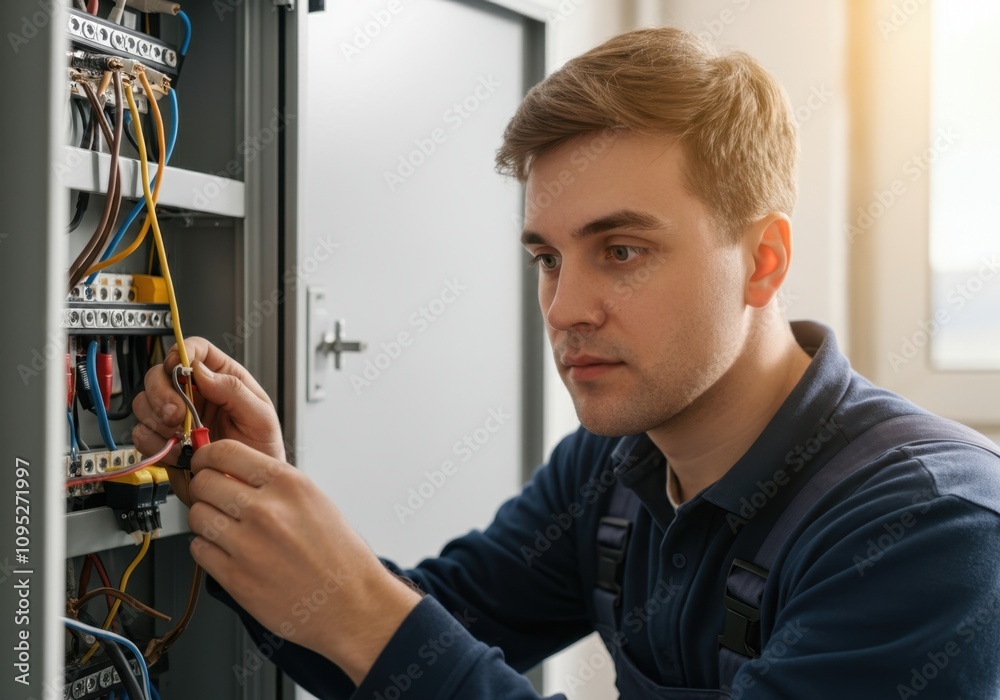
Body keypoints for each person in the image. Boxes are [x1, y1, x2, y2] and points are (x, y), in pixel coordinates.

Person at [133, 26, 1000, 699]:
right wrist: (259, 498)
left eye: (621, 251)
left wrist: (363, 611)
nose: (563, 308)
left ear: (764, 260)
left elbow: (389, 633)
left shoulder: (933, 530)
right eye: (547, 258)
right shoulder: (616, 466)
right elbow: (426, 639)